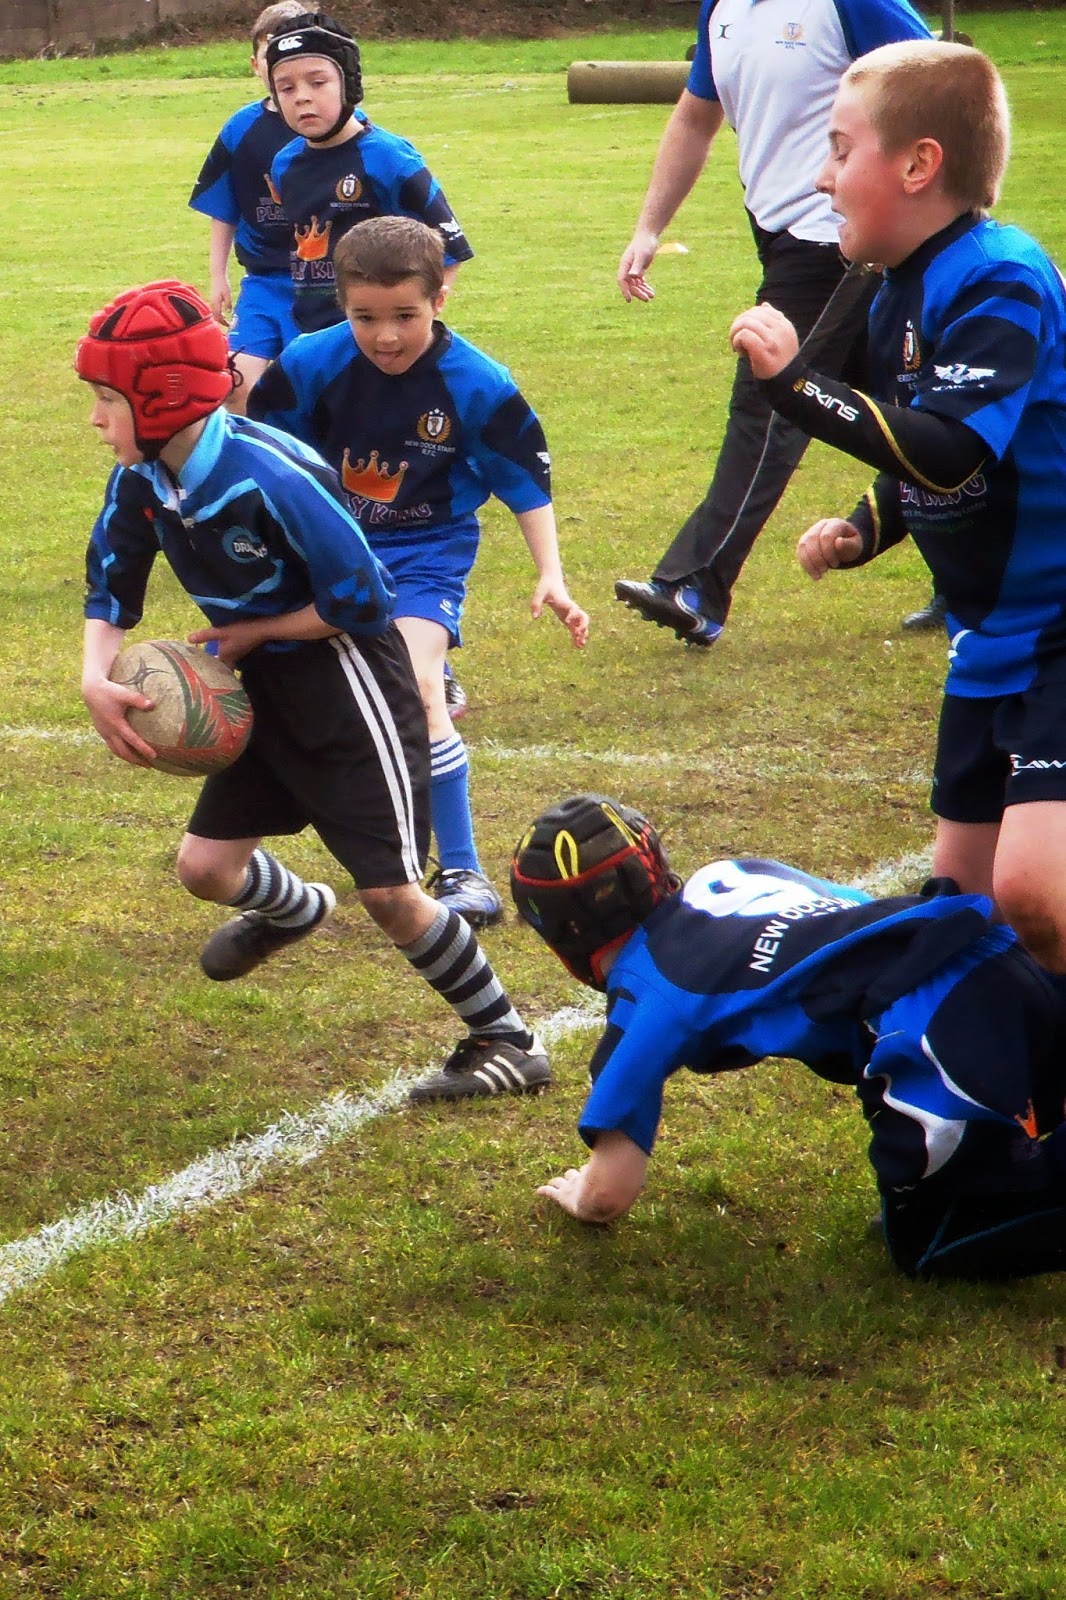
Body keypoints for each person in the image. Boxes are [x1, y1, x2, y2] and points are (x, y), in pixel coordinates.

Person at [76, 278, 552, 1105]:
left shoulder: (272, 473)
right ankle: (296, 910)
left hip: (349, 681)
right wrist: (95, 677)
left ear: (164, 399)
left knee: (395, 897)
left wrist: (255, 632)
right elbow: (111, 581)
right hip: (257, 685)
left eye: (106, 400)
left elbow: (362, 600)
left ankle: (508, 1040)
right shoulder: (144, 479)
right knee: (203, 869)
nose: (96, 419)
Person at [729, 41, 1066, 975]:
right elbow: (920, 446)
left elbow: (955, 450)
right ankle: (1020, 1104)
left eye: (840, 150)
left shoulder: (1001, 276)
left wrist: (798, 389)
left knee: (1038, 894)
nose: (824, 177)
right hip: (990, 641)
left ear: (920, 165)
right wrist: (866, 528)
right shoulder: (894, 292)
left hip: (1058, 632)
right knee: (965, 914)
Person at [513, 795, 1066, 1280]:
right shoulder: (730, 872)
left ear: (560, 932)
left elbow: (610, 1193)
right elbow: (854, 912)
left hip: (940, 1030)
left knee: (930, 1243)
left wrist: (583, 1197)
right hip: (1010, 961)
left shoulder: (647, 997)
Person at [248, 216, 589, 928]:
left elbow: (525, 480)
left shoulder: (478, 383)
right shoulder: (311, 364)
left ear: (440, 299)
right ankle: (254, 878)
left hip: (426, 550)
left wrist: (550, 573)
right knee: (293, 698)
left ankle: (461, 871)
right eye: (365, 317)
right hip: (333, 549)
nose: (386, 336)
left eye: (405, 315)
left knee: (420, 689)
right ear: (341, 305)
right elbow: (268, 460)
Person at [612, 0, 931, 649]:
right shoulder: (722, 8)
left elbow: (947, 82)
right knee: (918, 408)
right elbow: (698, 117)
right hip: (780, 239)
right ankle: (984, 562)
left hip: (835, 239)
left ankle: (698, 583)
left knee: (770, 397)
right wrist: (649, 227)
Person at [264, 10, 473, 337]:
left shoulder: (389, 158)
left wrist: (409, 326)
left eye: (318, 82)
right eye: (286, 88)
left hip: (379, 343)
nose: (302, 96)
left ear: (348, 83)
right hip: (309, 338)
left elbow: (449, 249)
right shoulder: (283, 164)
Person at [188, 0, 309, 407]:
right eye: (271, 55)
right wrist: (217, 277)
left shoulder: (338, 126)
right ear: (256, 65)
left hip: (326, 287)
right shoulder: (241, 129)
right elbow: (225, 207)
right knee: (236, 382)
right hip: (262, 283)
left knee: (312, 387)